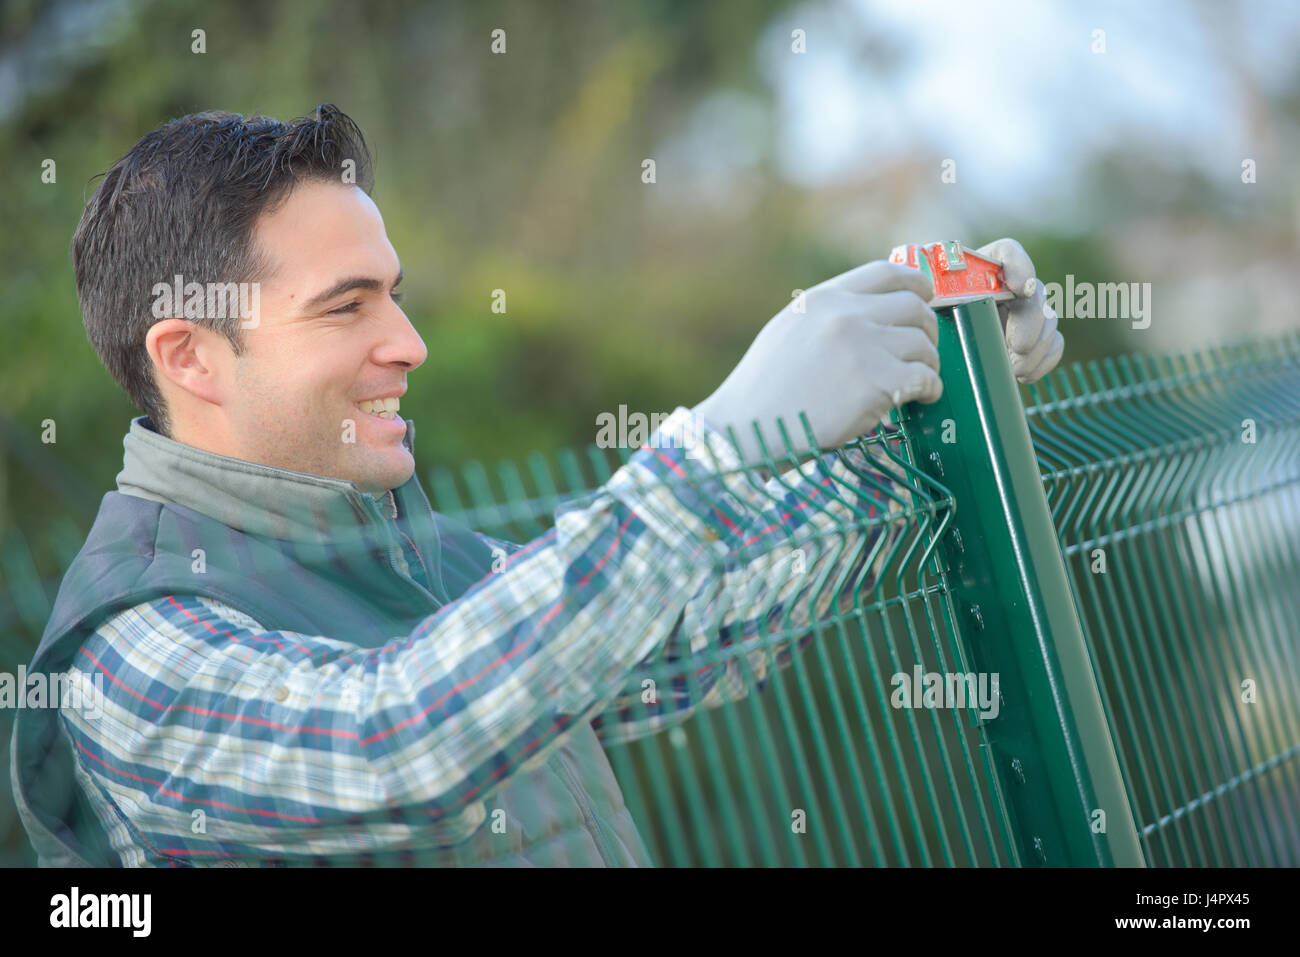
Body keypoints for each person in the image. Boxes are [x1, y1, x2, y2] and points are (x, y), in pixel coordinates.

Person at [10, 104, 1062, 867]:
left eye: (396, 297)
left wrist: (933, 404)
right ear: (191, 357)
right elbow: (395, 744)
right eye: (346, 308)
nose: (407, 343)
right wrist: (721, 444)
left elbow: (690, 636)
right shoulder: (132, 645)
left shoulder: (419, 565)